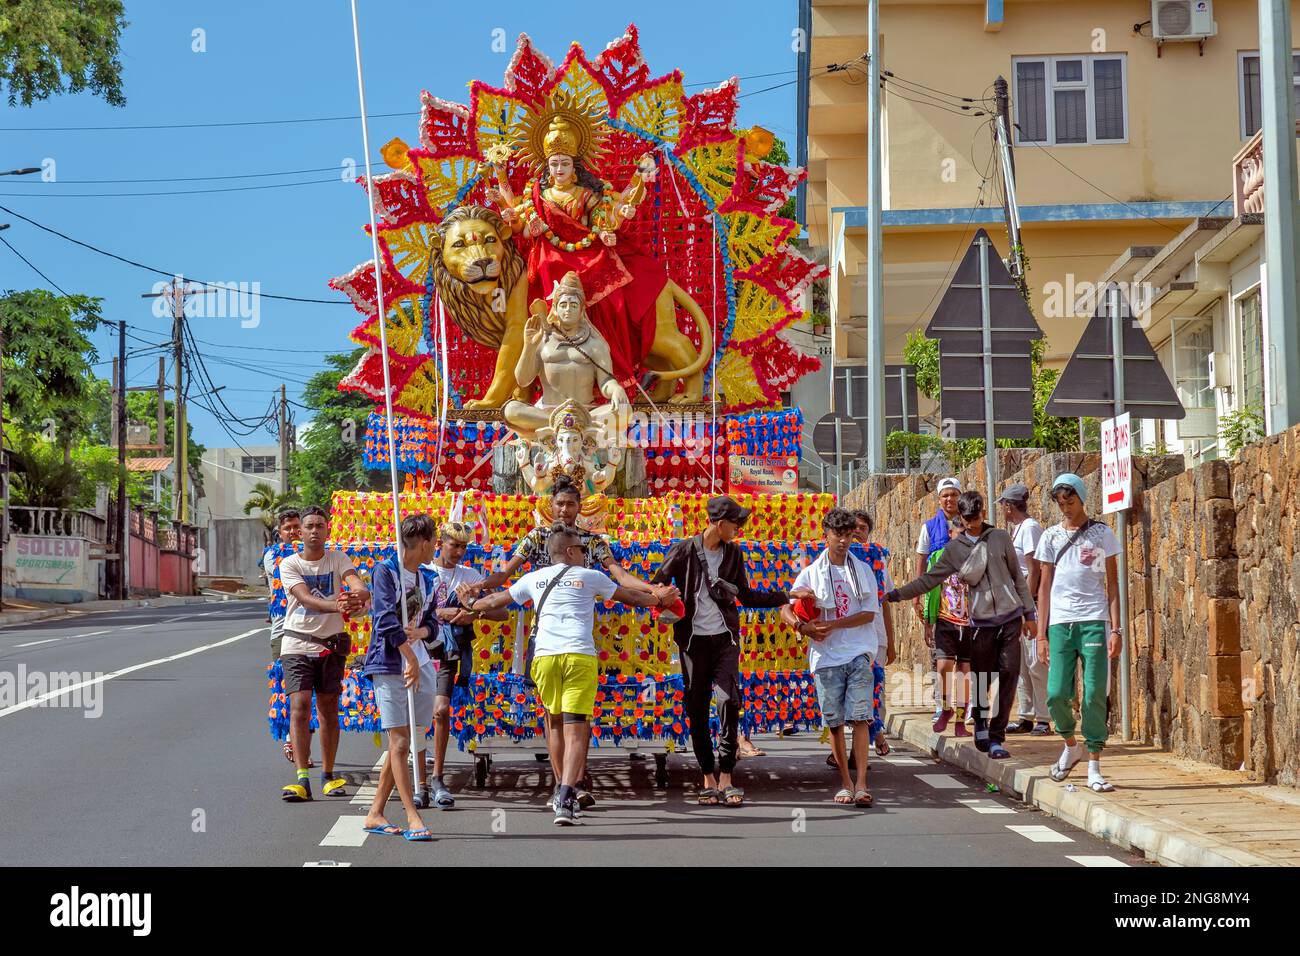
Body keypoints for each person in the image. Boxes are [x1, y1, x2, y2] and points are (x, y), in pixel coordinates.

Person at [461, 475, 677, 808]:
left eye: (571, 504)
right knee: (556, 718)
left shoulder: (592, 541)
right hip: (543, 637)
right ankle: (563, 785)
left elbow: (619, 577)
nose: (565, 509)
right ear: (551, 506)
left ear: (580, 507)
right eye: (559, 503)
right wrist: (477, 590)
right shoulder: (536, 538)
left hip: (582, 636)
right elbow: (505, 577)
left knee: (578, 717)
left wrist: (653, 590)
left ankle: (572, 784)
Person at [651, 495, 797, 807]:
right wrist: (665, 597)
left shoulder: (733, 555)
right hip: (692, 642)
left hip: (725, 640)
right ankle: (708, 777)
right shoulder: (683, 550)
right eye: (736, 523)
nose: (739, 529)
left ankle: (728, 775)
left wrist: (787, 594)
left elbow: (746, 595)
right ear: (720, 524)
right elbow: (656, 584)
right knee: (697, 707)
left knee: (729, 700)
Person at [887, 491, 1035, 759]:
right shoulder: (955, 549)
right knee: (982, 678)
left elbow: (1018, 578)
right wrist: (898, 594)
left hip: (1011, 617)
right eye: (967, 520)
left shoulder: (1000, 538)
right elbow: (929, 579)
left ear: (983, 513)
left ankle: (996, 736)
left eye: (976, 518)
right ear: (961, 518)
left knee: (1010, 675)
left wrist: (1030, 615)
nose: (972, 524)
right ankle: (979, 722)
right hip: (980, 623)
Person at [781, 508, 879, 807]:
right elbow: (786, 608)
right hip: (825, 657)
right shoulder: (810, 573)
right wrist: (803, 626)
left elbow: (868, 613)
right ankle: (846, 784)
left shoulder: (862, 570)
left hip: (859, 652)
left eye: (849, 536)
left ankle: (862, 783)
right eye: (839, 535)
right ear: (826, 535)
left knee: (860, 718)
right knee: (835, 722)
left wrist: (833, 624)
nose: (844, 541)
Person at [1034, 473, 1123, 793]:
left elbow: (1112, 585)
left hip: (1094, 620)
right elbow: (1043, 588)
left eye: (1070, 501)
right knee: (1057, 694)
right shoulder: (1051, 537)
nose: (1066, 508)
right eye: (1060, 503)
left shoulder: (1102, 534)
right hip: (1059, 624)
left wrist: (1117, 628)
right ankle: (1071, 744)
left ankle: (1095, 766)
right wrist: (1041, 634)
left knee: (1095, 692)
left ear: (1082, 498)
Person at [277, 506, 368, 802]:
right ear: (299, 532)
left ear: (328, 530)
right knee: (300, 707)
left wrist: (359, 594)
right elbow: (304, 597)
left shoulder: (338, 558)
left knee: (328, 709)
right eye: (309, 526)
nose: (315, 530)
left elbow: (356, 582)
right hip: (297, 643)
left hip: (332, 644)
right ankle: (302, 777)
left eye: (320, 525)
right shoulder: (289, 564)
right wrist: (340, 606)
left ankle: (328, 775)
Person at [420, 520, 508, 809]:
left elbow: (501, 613)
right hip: (418, 649)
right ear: (439, 544)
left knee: (441, 710)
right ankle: (420, 782)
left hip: (449, 651)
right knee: (417, 715)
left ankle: (437, 777)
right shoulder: (422, 572)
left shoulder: (470, 576)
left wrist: (472, 611)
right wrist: (438, 613)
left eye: (463, 547)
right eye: (453, 545)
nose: (459, 551)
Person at [915, 478, 971, 734]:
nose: (949, 500)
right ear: (939, 500)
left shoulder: (972, 525)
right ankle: (943, 705)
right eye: (944, 496)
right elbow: (922, 562)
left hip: (969, 608)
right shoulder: (929, 528)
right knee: (942, 661)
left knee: (967, 665)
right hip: (943, 605)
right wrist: (918, 597)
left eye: (953, 495)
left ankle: (966, 709)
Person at [265, 509, 314, 767]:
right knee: (289, 690)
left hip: (314, 631)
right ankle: (289, 737)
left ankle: (304, 743)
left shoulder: (315, 554)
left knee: (312, 693)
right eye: (289, 529)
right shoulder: (274, 556)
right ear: (279, 533)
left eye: (298, 527)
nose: (294, 532)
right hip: (284, 633)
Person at [999, 484, 1049, 735]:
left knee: (1035, 662)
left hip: (1030, 607)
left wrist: (1026, 606)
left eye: (1003, 505)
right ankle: (1026, 714)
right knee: (1020, 664)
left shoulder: (1030, 528)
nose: (1002, 510)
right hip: (1015, 606)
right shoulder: (1017, 530)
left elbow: (1035, 568)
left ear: (1009, 505)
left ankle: (1043, 717)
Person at [854, 510, 895, 757]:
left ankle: (877, 732)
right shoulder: (836, 561)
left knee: (875, 689)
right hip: (848, 640)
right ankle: (864, 743)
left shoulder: (878, 562)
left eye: (863, 528)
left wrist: (891, 642)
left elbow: (886, 603)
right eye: (854, 527)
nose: (858, 531)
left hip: (876, 637)